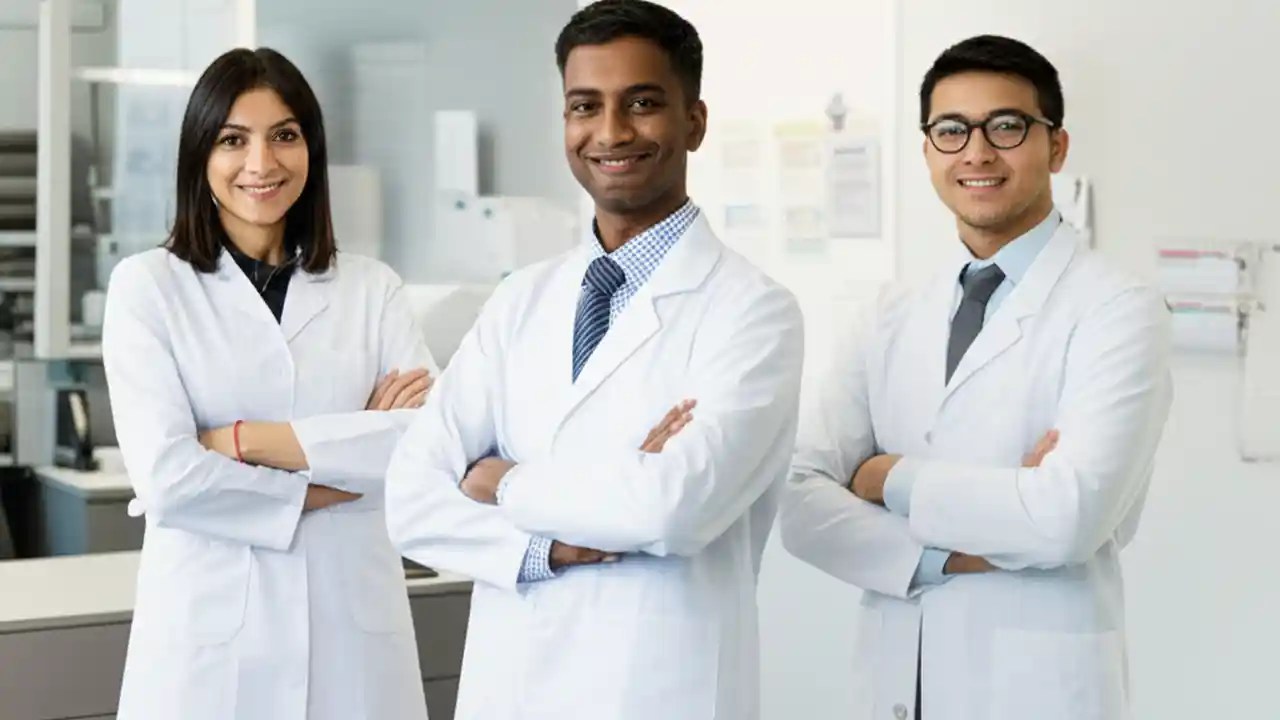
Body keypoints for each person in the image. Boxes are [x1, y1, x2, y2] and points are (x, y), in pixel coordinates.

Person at [384, 2, 805, 718]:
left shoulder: (753, 311)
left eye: (642, 103)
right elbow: (411, 500)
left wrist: (504, 481)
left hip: (655, 690)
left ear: (693, 121)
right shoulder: (520, 301)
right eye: (586, 106)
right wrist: (552, 542)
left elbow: (672, 506)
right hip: (510, 688)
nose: (611, 132)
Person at [780, 34, 1173, 720]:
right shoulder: (889, 312)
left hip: (1038, 690)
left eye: (1008, 126)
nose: (978, 152)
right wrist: (951, 552)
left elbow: (1067, 519)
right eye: (952, 130)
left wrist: (886, 477)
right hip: (899, 680)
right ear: (928, 150)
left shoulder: (1118, 309)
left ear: (1057, 146)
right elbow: (799, 505)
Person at [102, 47, 436, 720]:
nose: (262, 164)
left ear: (310, 147)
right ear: (201, 155)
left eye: (284, 135)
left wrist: (238, 441)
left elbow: (427, 446)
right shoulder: (148, 288)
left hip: (352, 640)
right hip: (211, 648)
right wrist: (342, 475)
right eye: (233, 140)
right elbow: (168, 478)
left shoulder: (373, 289)